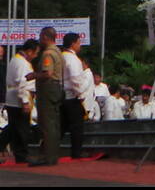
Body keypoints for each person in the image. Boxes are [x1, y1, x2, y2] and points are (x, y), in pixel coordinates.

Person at [1, 40, 39, 165]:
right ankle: (22, 154)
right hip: (19, 99)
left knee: (13, 128)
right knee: (21, 129)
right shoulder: (22, 63)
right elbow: (22, 84)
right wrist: (25, 102)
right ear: (29, 51)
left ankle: (19, 154)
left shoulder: (15, 60)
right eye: (35, 53)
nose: (35, 56)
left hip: (13, 98)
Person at [31, 28, 63, 166]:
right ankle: (53, 155)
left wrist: (33, 75)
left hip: (48, 89)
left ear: (45, 37)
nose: (39, 39)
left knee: (47, 123)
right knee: (54, 123)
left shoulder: (48, 54)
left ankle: (47, 157)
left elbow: (47, 73)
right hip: (56, 88)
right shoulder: (58, 51)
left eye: (40, 36)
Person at [60, 34, 90, 158]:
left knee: (62, 125)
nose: (80, 45)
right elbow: (75, 79)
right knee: (77, 126)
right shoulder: (72, 59)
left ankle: (46, 148)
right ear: (73, 44)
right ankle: (76, 152)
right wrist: (80, 93)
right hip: (72, 96)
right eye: (79, 42)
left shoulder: (61, 56)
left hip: (62, 95)